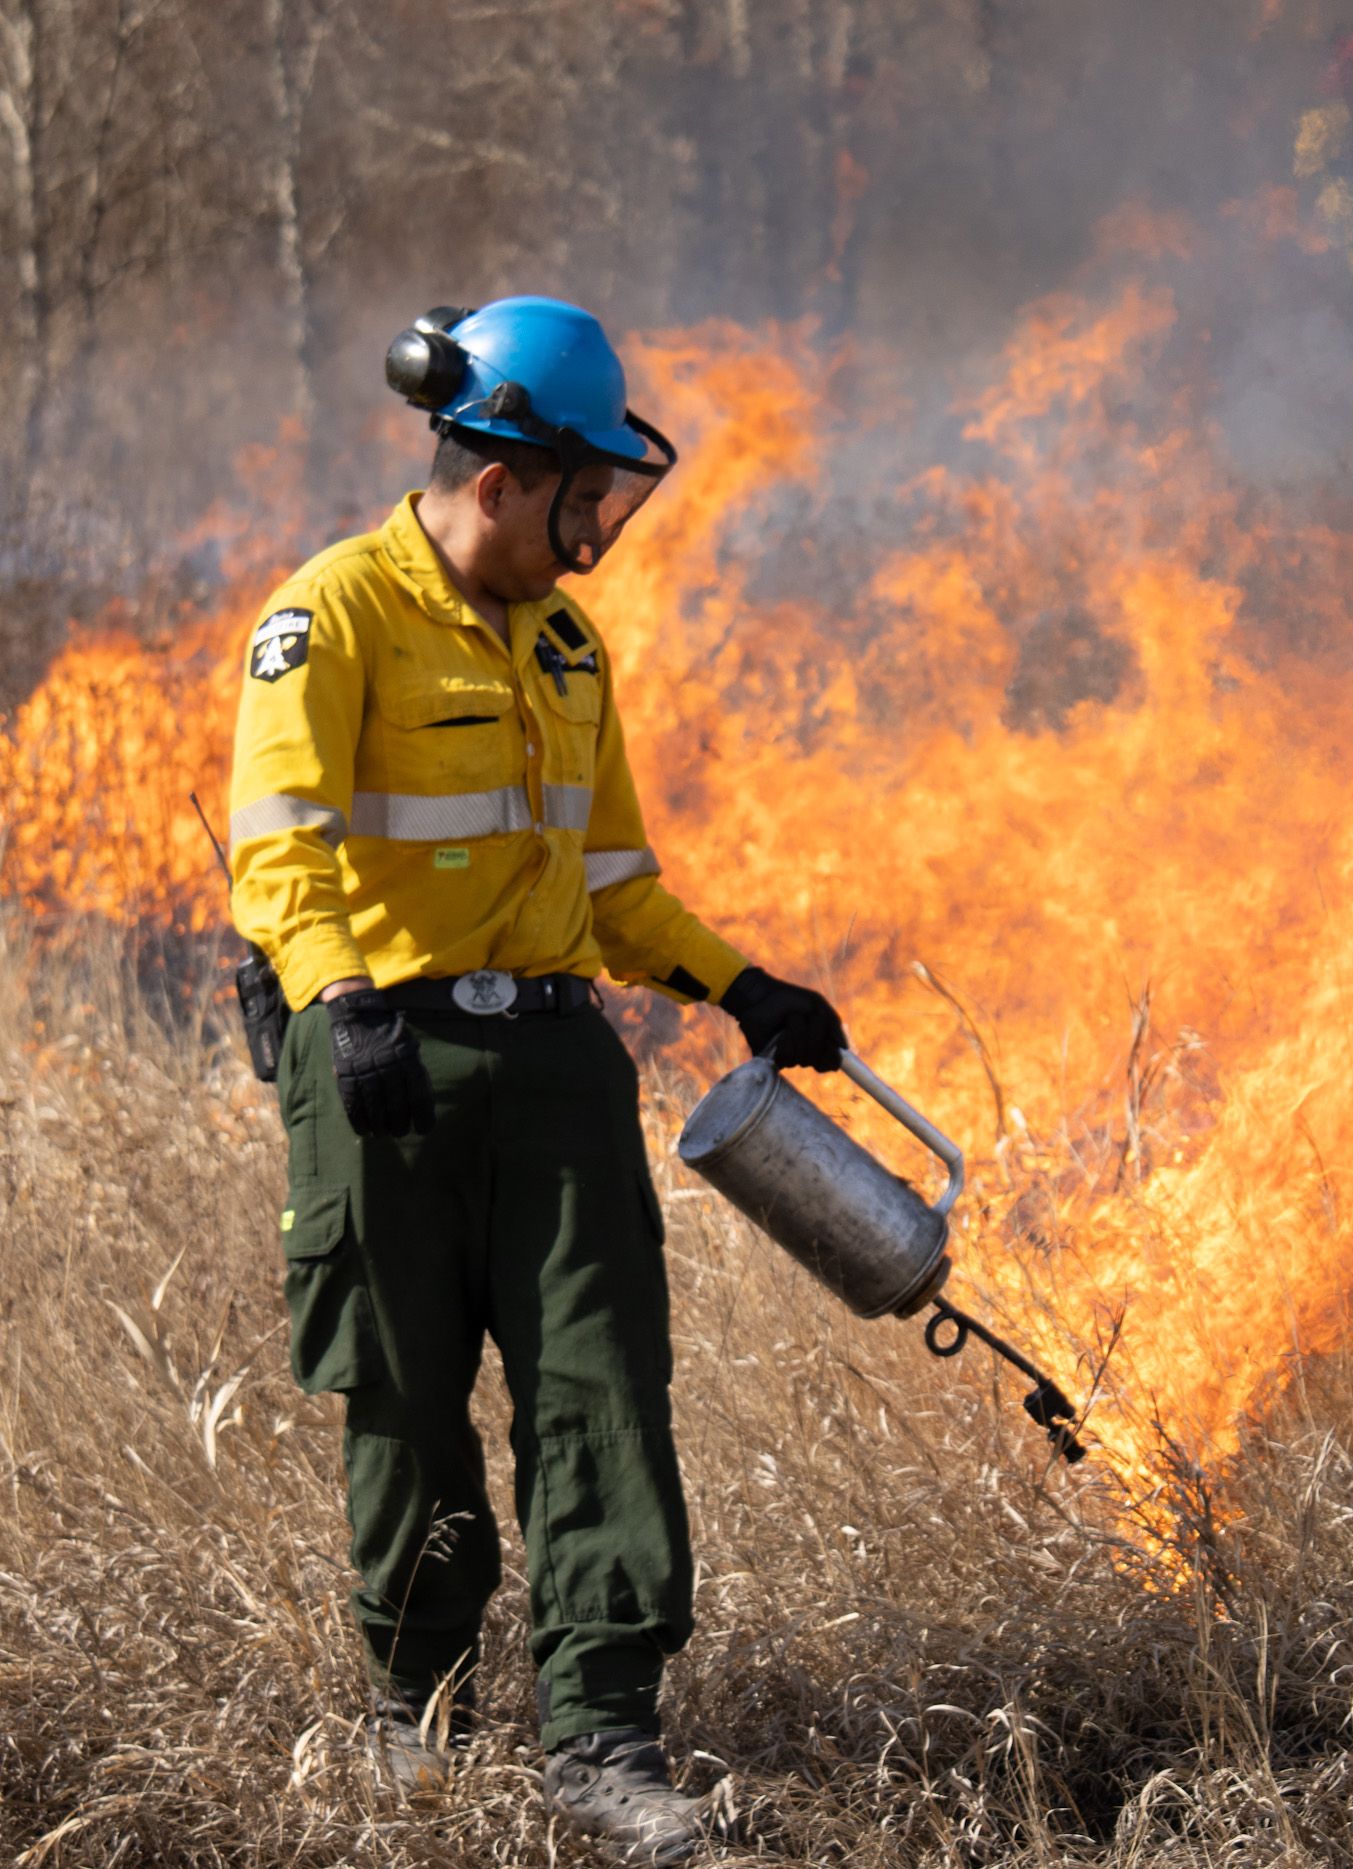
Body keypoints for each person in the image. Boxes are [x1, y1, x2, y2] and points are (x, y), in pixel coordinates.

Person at [228, 295, 845, 1862]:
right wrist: (343, 1004)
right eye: (584, 494)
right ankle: (415, 1727)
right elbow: (279, 846)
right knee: (406, 1400)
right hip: (382, 1059)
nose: (600, 529)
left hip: (562, 1065)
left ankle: (606, 1740)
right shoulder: (332, 614)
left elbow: (620, 881)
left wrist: (739, 983)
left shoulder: (570, 647)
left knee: (602, 1394)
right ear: (497, 476)